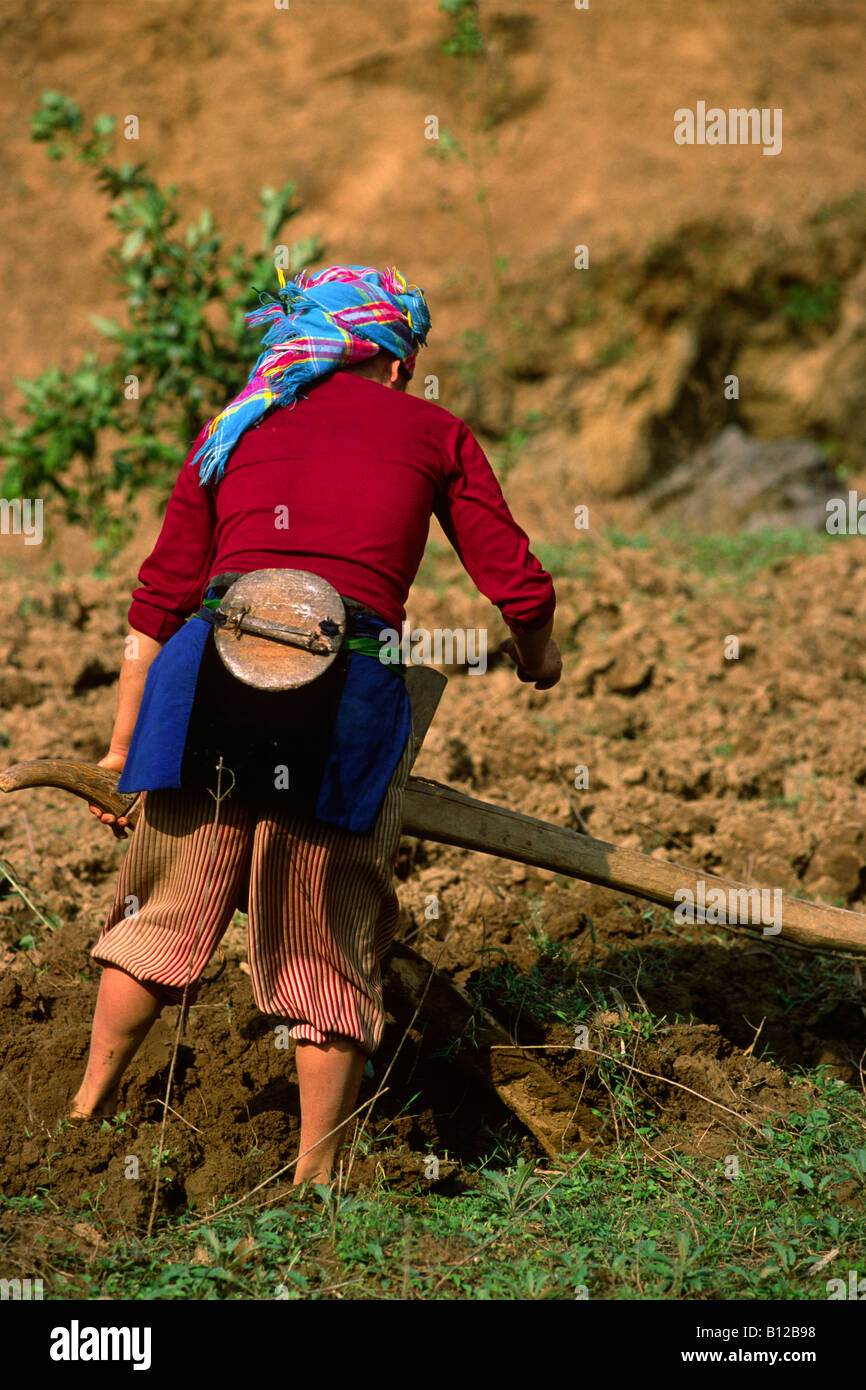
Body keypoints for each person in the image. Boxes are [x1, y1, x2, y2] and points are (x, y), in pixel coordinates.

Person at [73, 263, 561, 1185]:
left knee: (161, 909)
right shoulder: (434, 432)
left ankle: (83, 1115)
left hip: (204, 671)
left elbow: (158, 604)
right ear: (383, 359)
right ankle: (317, 1177)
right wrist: (542, 662)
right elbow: (519, 586)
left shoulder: (235, 424)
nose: (409, 381)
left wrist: (122, 749)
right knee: (321, 934)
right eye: (405, 363)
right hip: (343, 690)